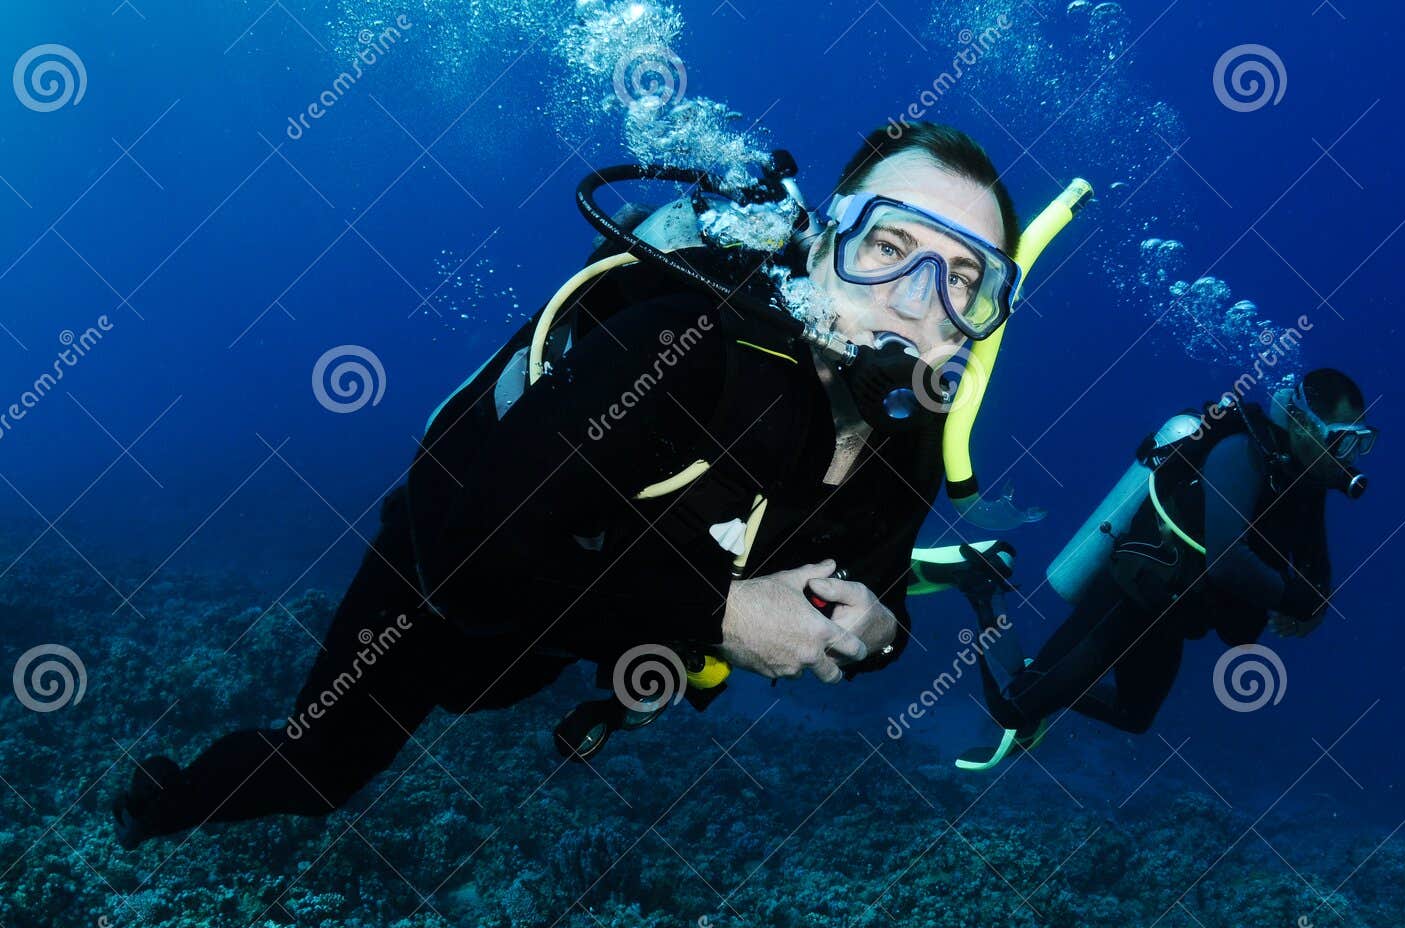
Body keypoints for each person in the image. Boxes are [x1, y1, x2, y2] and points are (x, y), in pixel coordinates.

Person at [112, 122, 1025, 847]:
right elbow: (470, 566)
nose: (916, 301)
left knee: (501, 684)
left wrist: (881, 632)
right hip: (436, 584)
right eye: (889, 245)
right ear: (825, 241)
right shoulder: (683, 344)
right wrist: (722, 616)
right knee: (321, 773)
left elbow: (879, 602)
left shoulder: (912, 437)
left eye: (964, 280)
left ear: (980, 322)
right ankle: (159, 804)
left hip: (582, 629)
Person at [954, 367, 1376, 764]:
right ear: (1301, 424)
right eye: (1342, 441)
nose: (1349, 457)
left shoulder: (1304, 481)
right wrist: (1295, 601)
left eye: (1361, 443)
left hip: (1172, 615)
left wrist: (1314, 606)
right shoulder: (1240, 455)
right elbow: (1227, 562)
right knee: (1011, 710)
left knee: (1133, 716)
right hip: (1129, 598)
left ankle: (1044, 680)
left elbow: (1315, 565)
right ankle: (981, 581)